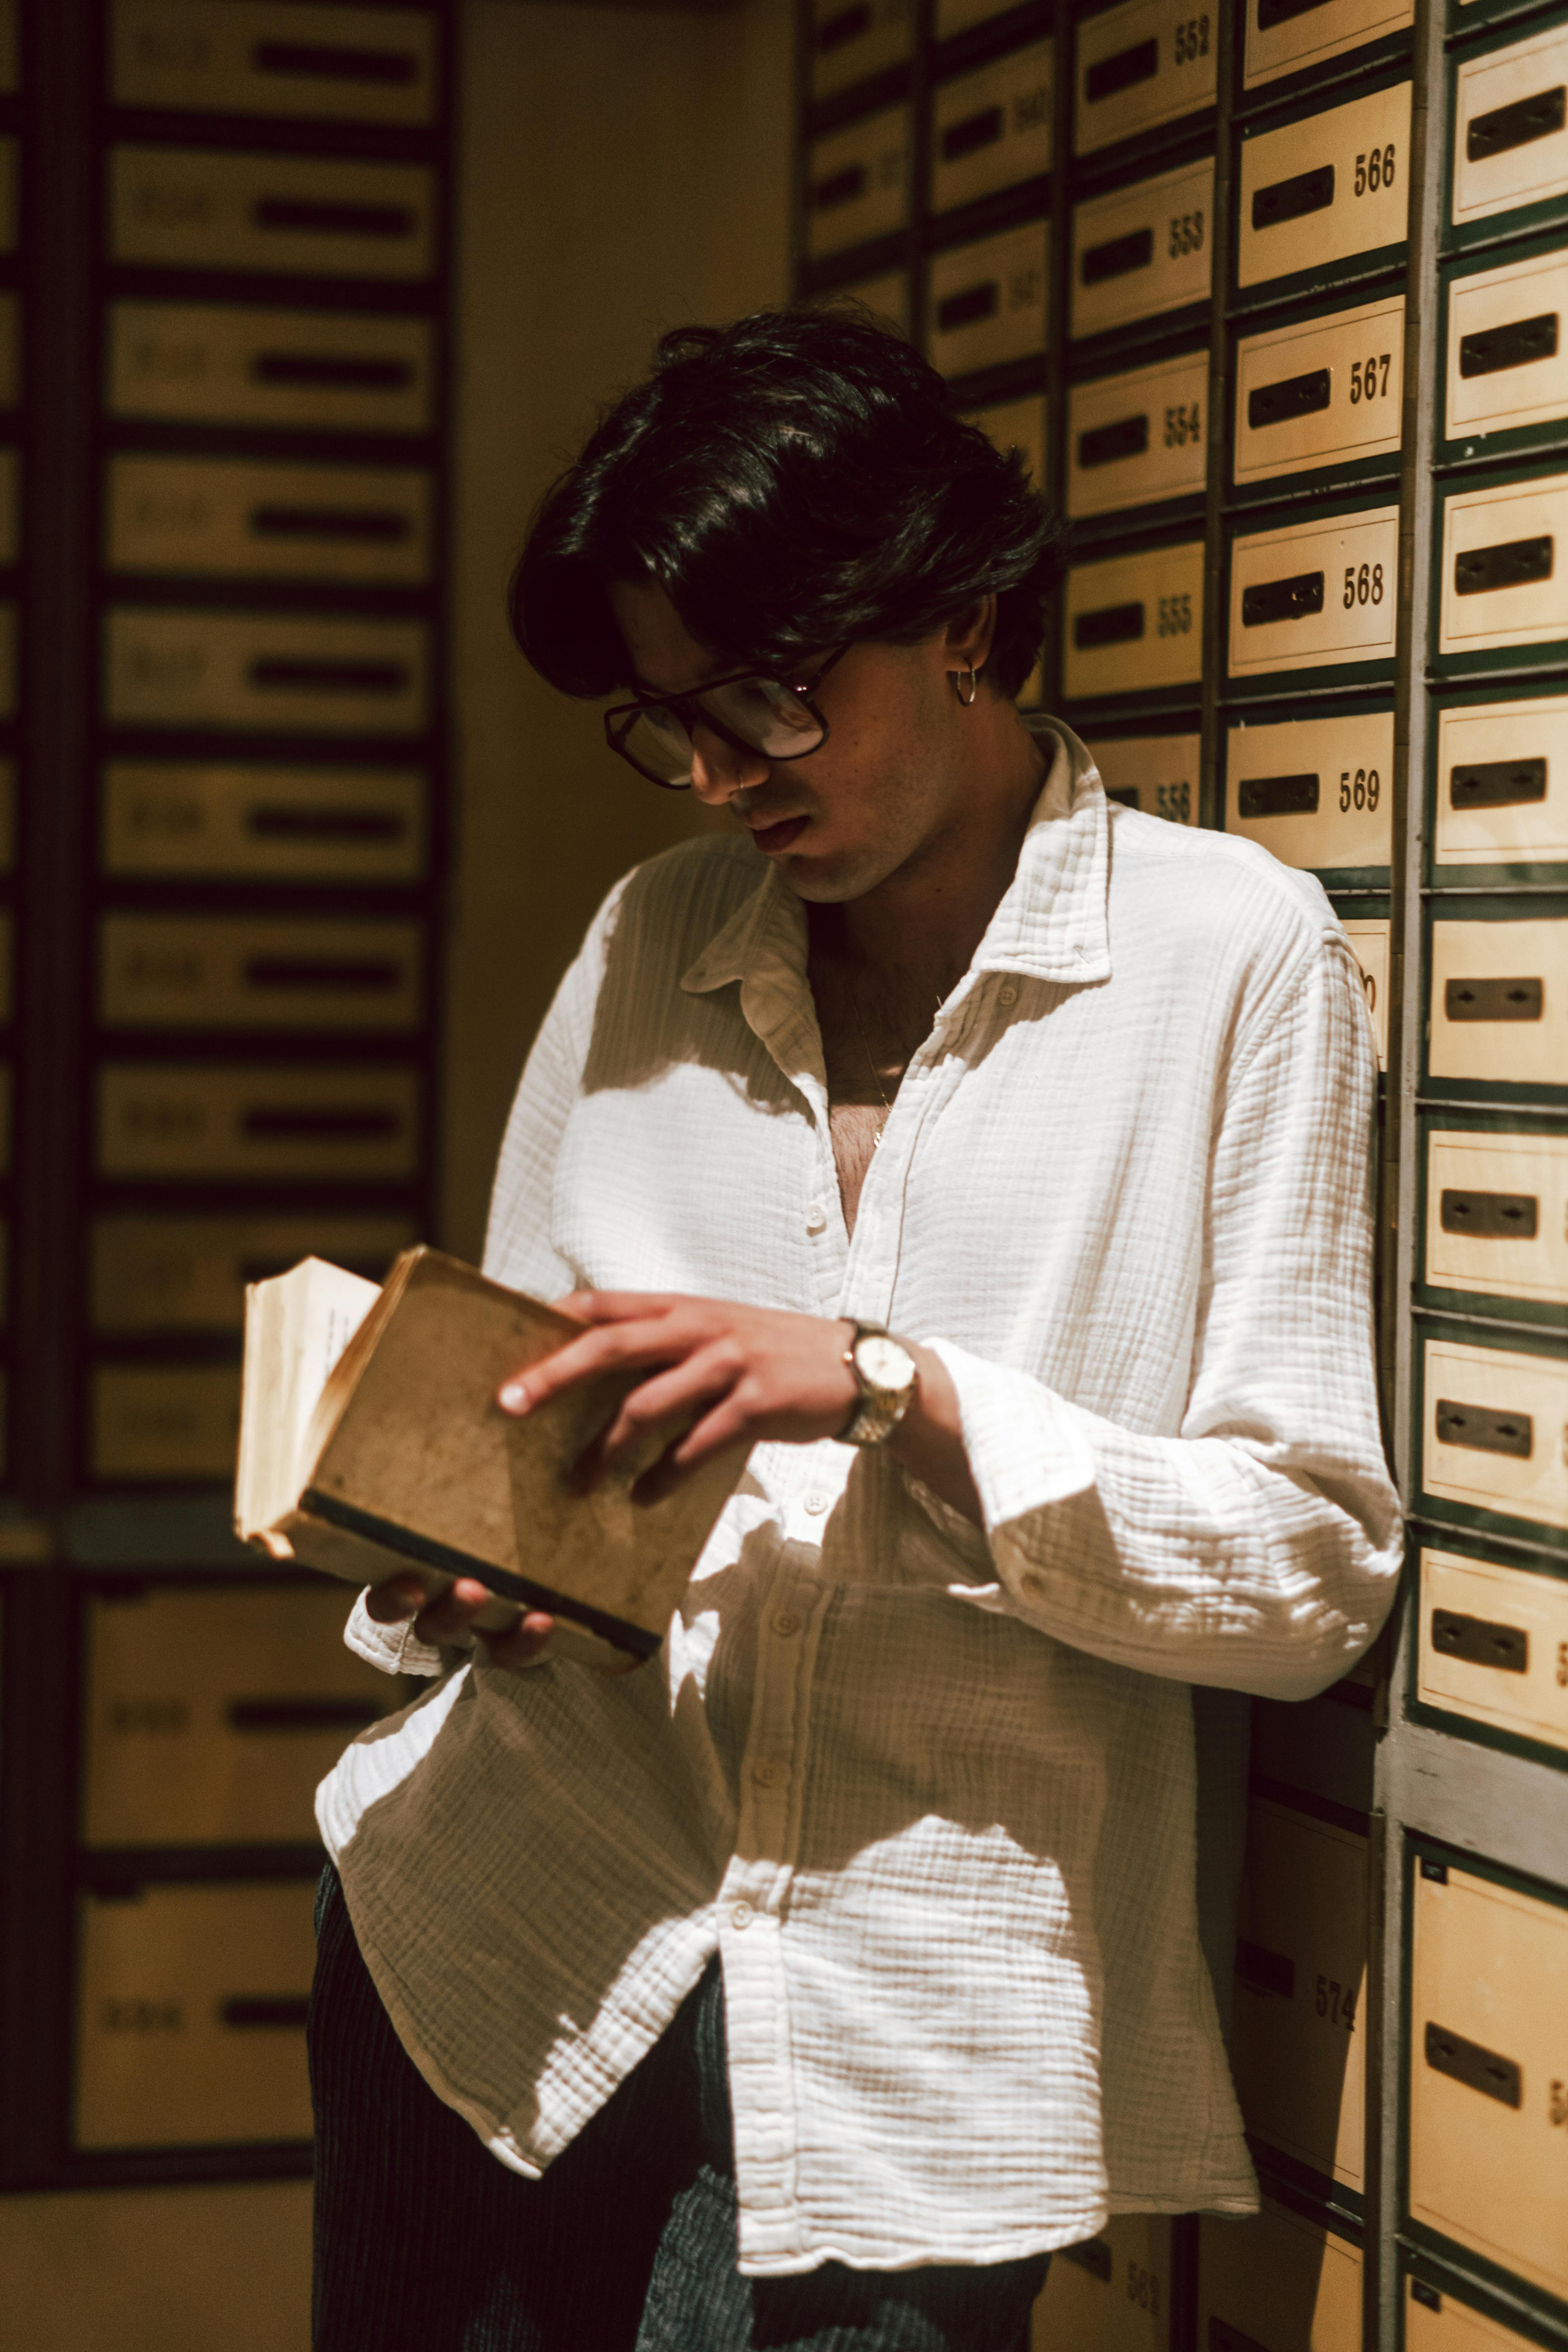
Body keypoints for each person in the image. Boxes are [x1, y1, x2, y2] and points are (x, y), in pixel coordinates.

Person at [308, 307, 1402, 2352]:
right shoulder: (657, 936)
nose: (721, 776)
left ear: (974, 618)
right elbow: (532, 1404)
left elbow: (1308, 1575)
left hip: (909, 2044)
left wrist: (894, 1394)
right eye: (670, 720)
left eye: (772, 703)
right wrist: (463, 1567)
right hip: (500, 1929)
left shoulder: (1225, 961)